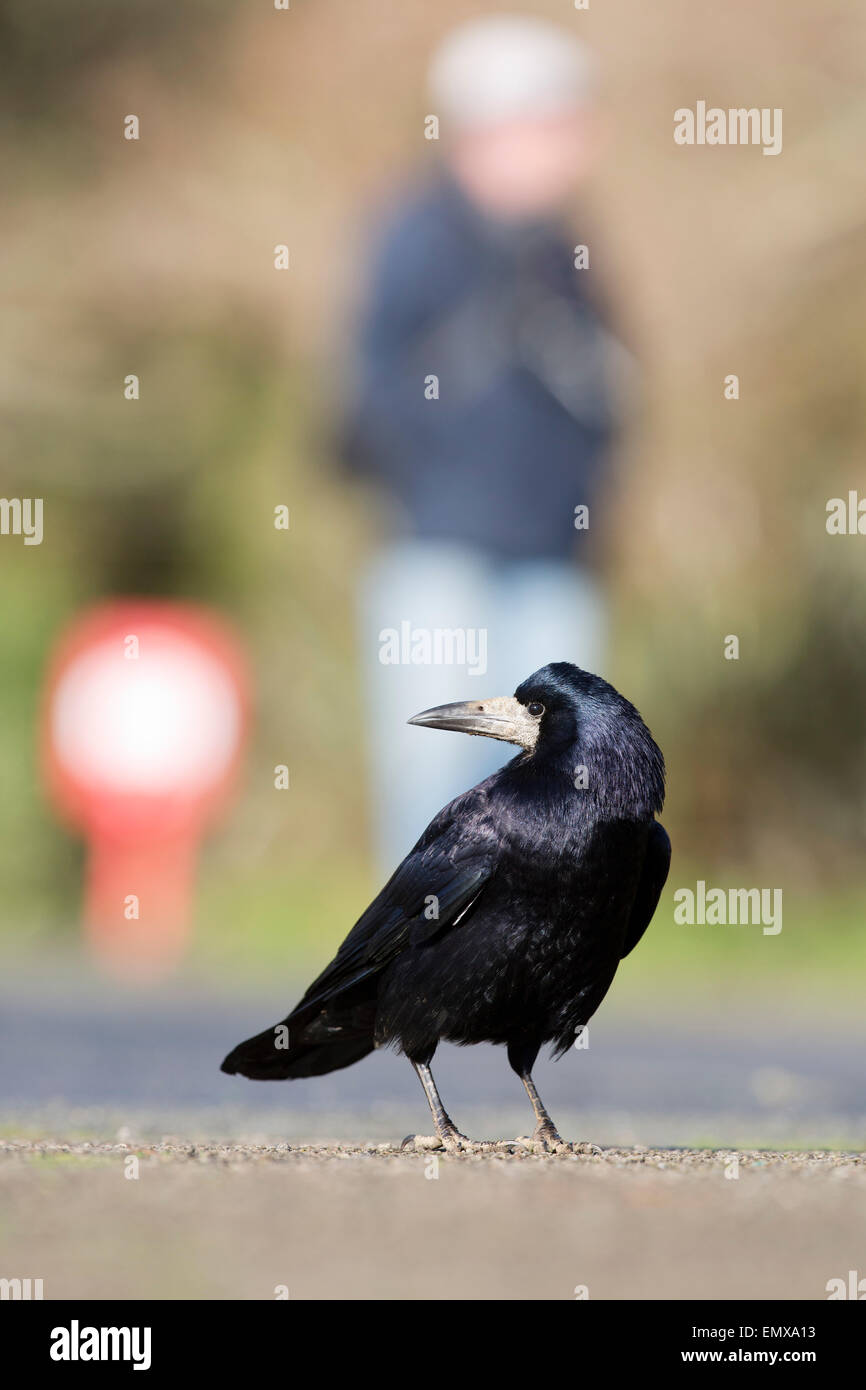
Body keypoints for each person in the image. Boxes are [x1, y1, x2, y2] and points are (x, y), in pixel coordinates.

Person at [341, 15, 631, 872]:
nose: (578, 143)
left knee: (564, 784)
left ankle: (520, 988)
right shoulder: (418, 236)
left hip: (552, 557)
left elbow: (610, 400)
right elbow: (362, 405)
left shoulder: (567, 250)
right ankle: (420, 982)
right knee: (437, 781)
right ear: (489, 129)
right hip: (442, 554)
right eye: (558, 122)